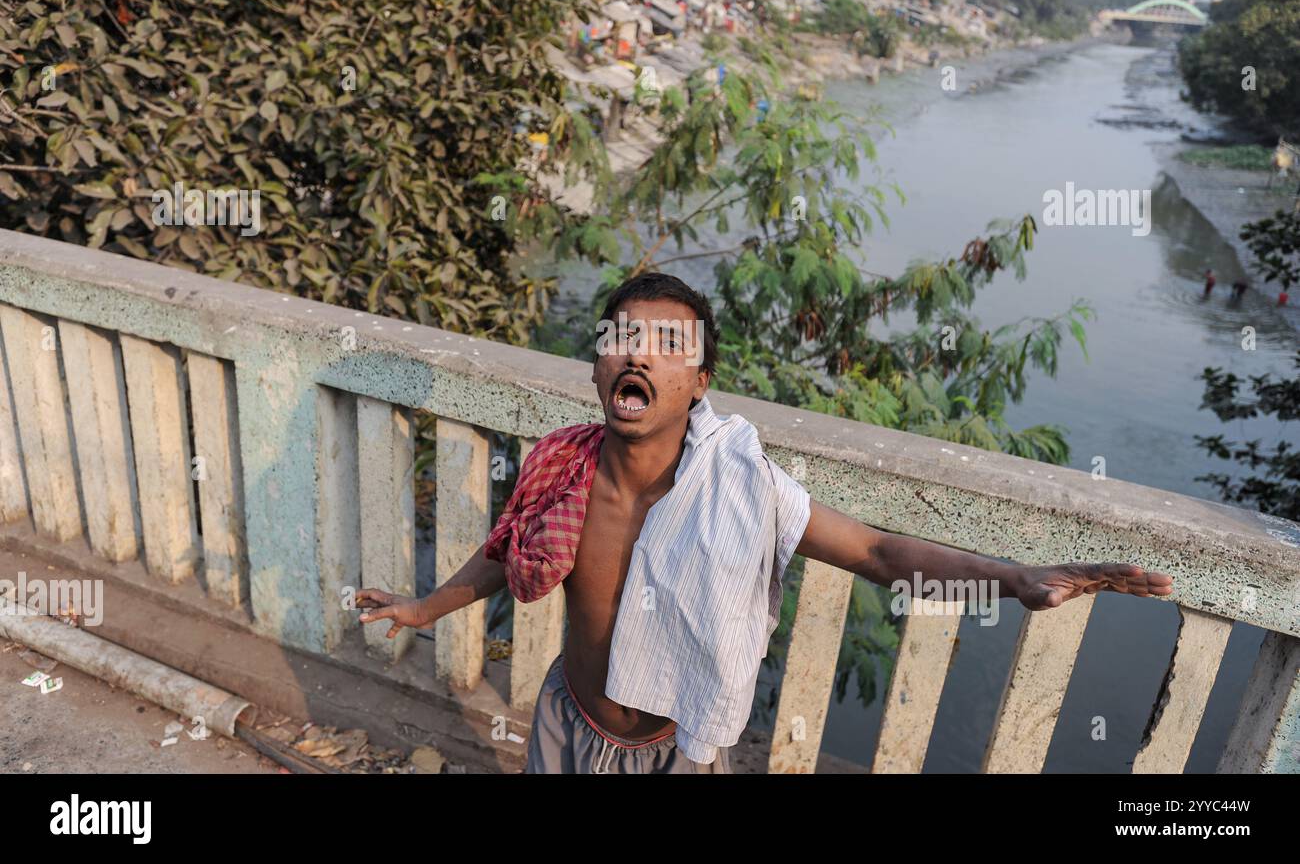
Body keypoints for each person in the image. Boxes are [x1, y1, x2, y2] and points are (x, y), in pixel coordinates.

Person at [355, 273, 1175, 774]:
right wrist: (422, 610)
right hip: (568, 718)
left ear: (699, 379)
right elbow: (506, 556)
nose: (639, 355)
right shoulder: (563, 467)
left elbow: (880, 552)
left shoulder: (742, 483)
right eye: (623, 338)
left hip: (674, 747)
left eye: (667, 345)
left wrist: (1016, 578)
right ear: (600, 363)